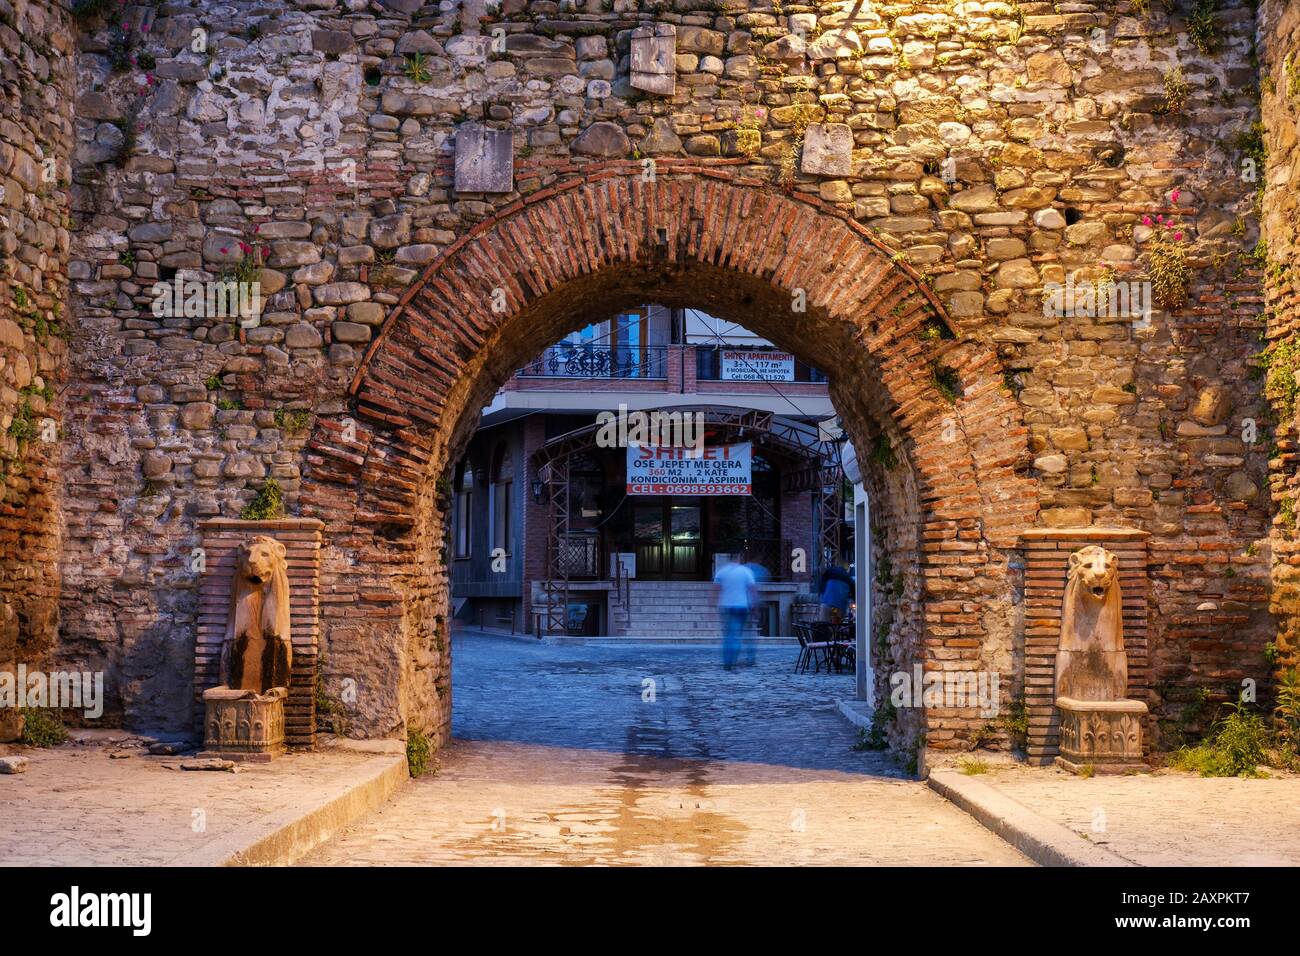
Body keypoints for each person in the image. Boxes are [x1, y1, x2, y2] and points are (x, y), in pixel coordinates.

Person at [714, 552, 757, 669]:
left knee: (728, 635)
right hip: (741, 606)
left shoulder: (721, 571)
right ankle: (732, 660)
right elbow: (752, 589)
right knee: (736, 634)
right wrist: (753, 605)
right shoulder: (745, 571)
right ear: (739, 558)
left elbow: (716, 589)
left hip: (726, 606)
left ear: (729, 559)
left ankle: (727, 661)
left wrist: (714, 603)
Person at [817, 562, 854, 626]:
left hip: (827, 604)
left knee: (823, 626)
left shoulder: (830, 572)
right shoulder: (849, 579)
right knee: (836, 626)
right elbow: (853, 594)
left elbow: (822, 581)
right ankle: (834, 633)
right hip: (838, 607)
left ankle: (827, 633)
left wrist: (820, 593)